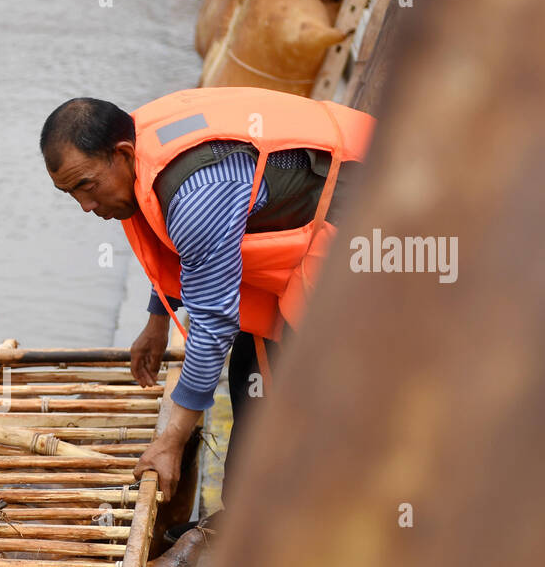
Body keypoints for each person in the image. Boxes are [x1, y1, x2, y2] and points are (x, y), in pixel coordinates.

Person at [40, 88, 374, 534]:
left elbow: (213, 324)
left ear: (121, 154)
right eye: (71, 194)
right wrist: (157, 320)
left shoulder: (198, 194)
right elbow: (182, 249)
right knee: (252, 374)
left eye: (87, 186)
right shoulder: (142, 144)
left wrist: (171, 441)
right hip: (333, 208)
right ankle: (251, 516)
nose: (86, 206)